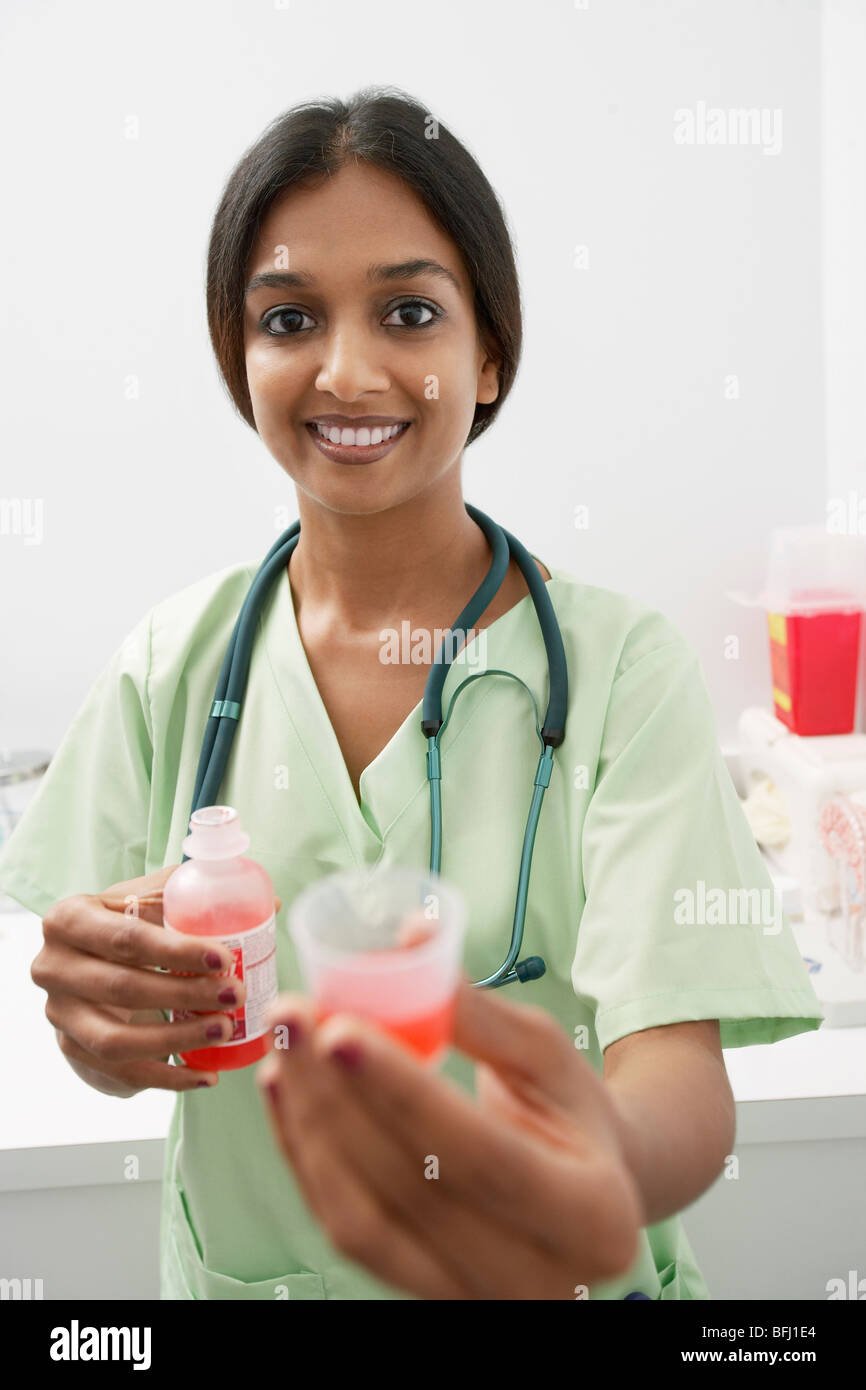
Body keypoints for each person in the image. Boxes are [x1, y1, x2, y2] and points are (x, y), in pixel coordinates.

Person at [0, 87, 824, 1301]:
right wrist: (103, 1039)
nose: (346, 369)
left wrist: (601, 1169)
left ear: (485, 353)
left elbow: (676, 1084)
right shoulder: (166, 670)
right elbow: (117, 1038)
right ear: (243, 356)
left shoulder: (618, 672)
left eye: (408, 310)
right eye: (288, 317)